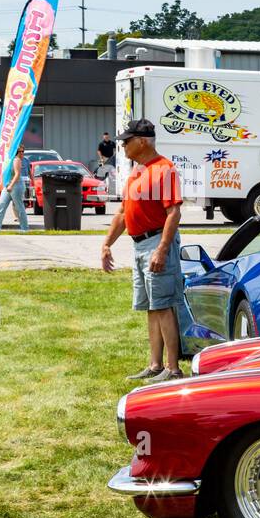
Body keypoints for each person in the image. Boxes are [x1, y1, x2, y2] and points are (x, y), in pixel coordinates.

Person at [101, 119, 187, 383]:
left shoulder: (164, 170)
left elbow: (174, 212)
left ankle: (172, 369)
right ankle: (155, 365)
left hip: (156, 242)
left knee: (163, 306)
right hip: (139, 244)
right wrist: (107, 244)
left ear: (142, 141)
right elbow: (123, 213)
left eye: (127, 141)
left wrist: (161, 250)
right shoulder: (137, 171)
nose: (123, 146)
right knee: (151, 306)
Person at [0, 146, 29, 232]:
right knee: (1, 205)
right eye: (19, 151)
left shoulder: (16, 160)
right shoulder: (9, 160)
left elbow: (17, 174)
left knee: (19, 207)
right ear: (15, 151)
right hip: (7, 185)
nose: (21, 153)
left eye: (23, 151)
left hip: (16, 185)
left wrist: (11, 185)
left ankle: (25, 228)